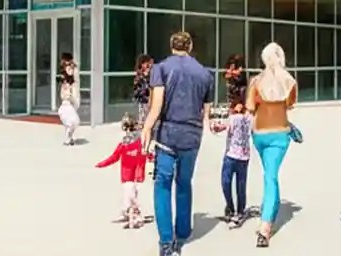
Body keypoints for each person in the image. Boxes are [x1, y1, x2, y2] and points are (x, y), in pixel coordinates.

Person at [142, 32, 213, 256]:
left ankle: (166, 241)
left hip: (168, 134)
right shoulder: (205, 73)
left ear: (171, 46)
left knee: (162, 183)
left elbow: (157, 105)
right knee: (184, 182)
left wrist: (146, 128)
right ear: (190, 46)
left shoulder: (160, 69)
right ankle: (183, 230)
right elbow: (206, 112)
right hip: (192, 135)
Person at [246, 42, 298, 248]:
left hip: (260, 133)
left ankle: (266, 223)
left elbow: (250, 106)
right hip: (280, 134)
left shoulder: (256, 81)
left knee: (269, 176)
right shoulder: (290, 81)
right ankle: (268, 219)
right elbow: (291, 104)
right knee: (271, 175)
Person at [95, 113, 148, 229]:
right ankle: (127, 213)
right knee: (129, 196)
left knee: (131, 196)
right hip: (132, 176)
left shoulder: (128, 144)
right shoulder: (134, 144)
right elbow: (147, 155)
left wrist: (102, 164)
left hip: (131, 176)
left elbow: (114, 157)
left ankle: (135, 217)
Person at [219, 100, 252, 228]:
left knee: (226, 182)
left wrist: (215, 127)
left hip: (232, 155)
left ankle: (232, 209)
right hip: (243, 156)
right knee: (241, 185)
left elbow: (223, 127)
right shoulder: (249, 118)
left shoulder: (234, 118)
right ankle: (239, 210)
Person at [59, 52, 82, 146]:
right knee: (69, 119)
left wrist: (69, 67)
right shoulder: (68, 69)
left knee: (71, 119)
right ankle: (69, 137)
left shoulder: (71, 68)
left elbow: (72, 76)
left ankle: (69, 137)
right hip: (69, 96)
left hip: (72, 96)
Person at [134, 54, 154, 125]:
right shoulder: (140, 76)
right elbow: (138, 90)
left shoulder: (152, 73)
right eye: (146, 63)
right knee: (144, 119)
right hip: (144, 102)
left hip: (151, 101)